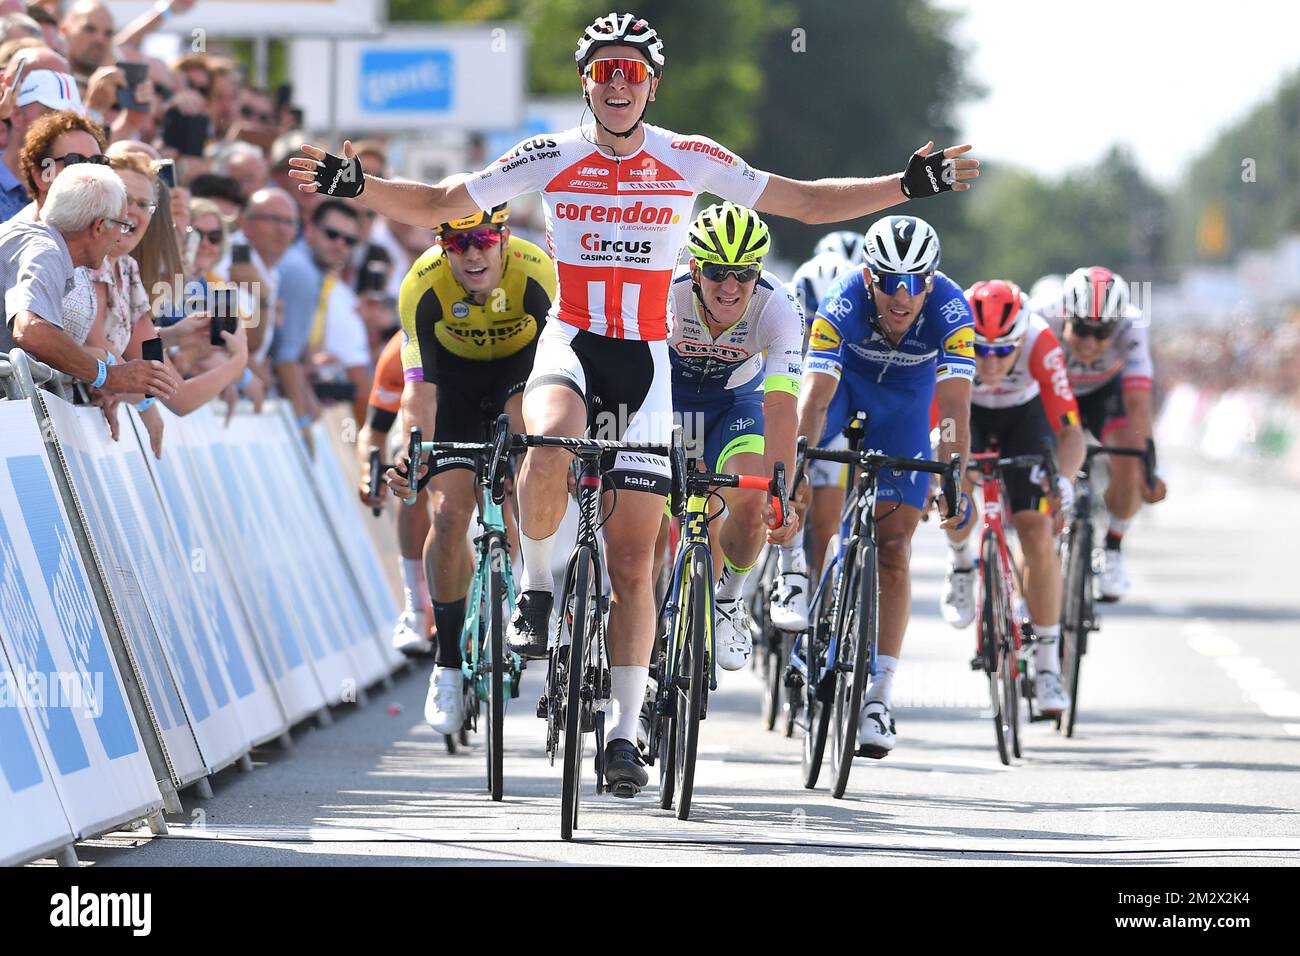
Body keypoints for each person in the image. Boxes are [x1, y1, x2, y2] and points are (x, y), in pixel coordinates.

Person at [291, 11, 978, 796]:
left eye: (632, 72)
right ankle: (537, 588)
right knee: (548, 444)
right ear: (587, 81)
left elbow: (804, 202)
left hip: (647, 360)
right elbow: (445, 200)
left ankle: (623, 731)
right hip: (574, 342)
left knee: (632, 561)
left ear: (652, 84)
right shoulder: (553, 152)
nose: (618, 84)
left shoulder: (685, 156)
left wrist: (904, 185)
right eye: (604, 70)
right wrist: (361, 187)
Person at [793, 214, 973, 758]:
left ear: (932, 280)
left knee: (894, 549)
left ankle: (877, 697)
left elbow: (953, 415)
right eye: (890, 281)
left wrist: (952, 476)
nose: (903, 295)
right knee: (800, 473)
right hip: (845, 390)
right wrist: (797, 466)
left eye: (916, 281)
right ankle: (797, 586)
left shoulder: (952, 310)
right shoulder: (843, 300)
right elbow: (814, 399)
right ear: (867, 276)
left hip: (907, 408)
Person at [383, 202, 555, 734]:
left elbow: (562, 366)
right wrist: (416, 451)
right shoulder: (421, 286)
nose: (473, 253)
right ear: (441, 246)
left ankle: (530, 582)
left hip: (520, 375)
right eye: (457, 244)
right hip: (451, 384)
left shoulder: (538, 270)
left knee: (527, 442)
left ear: (503, 237)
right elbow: (419, 392)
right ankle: (448, 666)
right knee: (450, 513)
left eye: (483, 239)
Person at [663, 201, 804, 669]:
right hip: (667, 401)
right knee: (638, 512)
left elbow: (781, 405)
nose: (730, 285)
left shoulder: (779, 307)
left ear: (758, 272)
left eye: (744, 273)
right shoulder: (667, 293)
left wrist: (780, 491)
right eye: (718, 271)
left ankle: (729, 599)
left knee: (750, 498)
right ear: (695, 267)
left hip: (735, 403)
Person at [939, 280, 1085, 716]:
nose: (990, 361)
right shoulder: (950, 335)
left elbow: (1071, 429)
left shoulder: (1041, 340)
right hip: (966, 414)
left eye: (1003, 351)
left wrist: (1064, 478)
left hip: (1026, 417)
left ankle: (1045, 665)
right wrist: (944, 470)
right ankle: (963, 564)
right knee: (954, 486)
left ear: (1021, 336)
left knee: (1038, 534)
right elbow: (940, 420)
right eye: (980, 351)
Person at [1041, 266, 1166, 600]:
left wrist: (1149, 465)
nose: (1089, 342)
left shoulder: (1132, 323)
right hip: (1054, 389)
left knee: (1129, 455)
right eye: (1081, 329)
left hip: (1103, 394)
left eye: (1101, 333)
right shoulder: (1041, 315)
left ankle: (1112, 545)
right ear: (1064, 315)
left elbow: (1138, 404)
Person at [5, 162, 177, 399]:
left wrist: (88, 377)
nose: (119, 237)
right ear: (98, 227)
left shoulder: (36, 241)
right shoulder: (46, 252)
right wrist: (110, 376)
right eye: (122, 225)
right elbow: (30, 330)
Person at [768, 243, 855, 631]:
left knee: (825, 527)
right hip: (792, 428)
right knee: (786, 506)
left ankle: (826, 613)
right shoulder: (781, 320)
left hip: (829, 432)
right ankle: (778, 577)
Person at [357, 328, 434, 656]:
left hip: (474, 407)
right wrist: (366, 472)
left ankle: (508, 594)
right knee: (407, 471)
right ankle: (415, 606)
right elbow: (373, 431)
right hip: (420, 421)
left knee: (503, 475)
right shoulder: (398, 352)